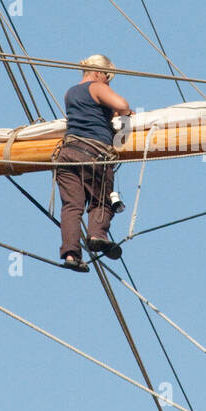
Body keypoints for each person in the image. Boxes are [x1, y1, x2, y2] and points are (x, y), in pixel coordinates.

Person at [55, 54, 130, 271]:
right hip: (94, 154)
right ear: (98, 73)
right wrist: (122, 120)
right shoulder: (96, 86)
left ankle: (70, 255)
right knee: (101, 200)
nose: (108, 82)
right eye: (108, 77)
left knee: (71, 207)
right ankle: (97, 234)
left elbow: (89, 113)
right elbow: (123, 105)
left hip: (67, 154)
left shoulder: (70, 92)